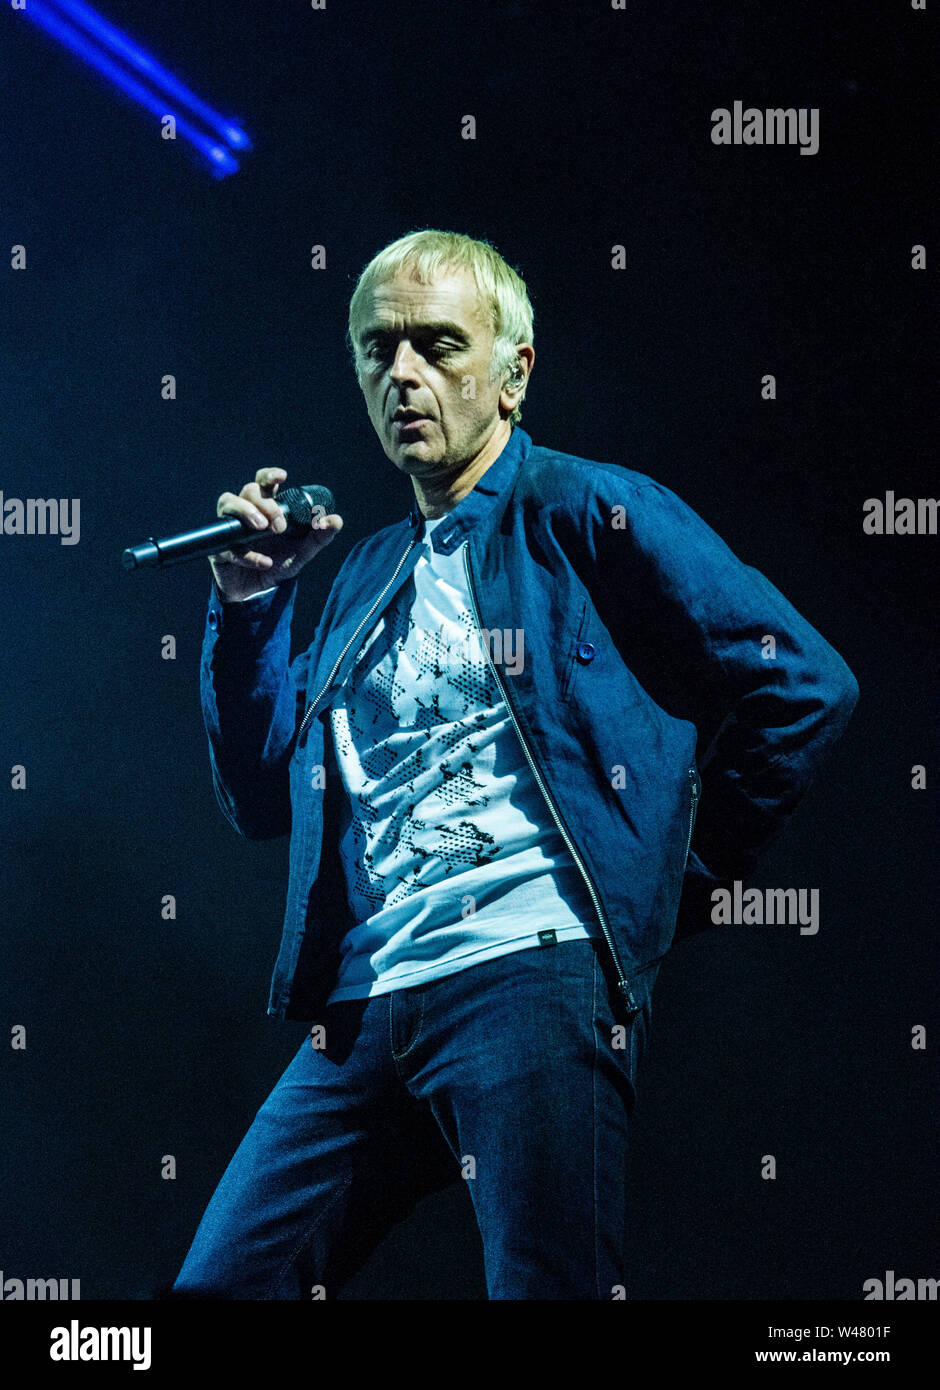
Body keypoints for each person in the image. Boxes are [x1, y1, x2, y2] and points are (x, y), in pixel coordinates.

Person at [170, 230, 859, 1300]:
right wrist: (252, 605)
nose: (402, 373)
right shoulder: (362, 576)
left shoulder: (584, 508)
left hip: (528, 974)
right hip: (365, 1000)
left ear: (511, 373)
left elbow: (804, 684)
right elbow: (263, 797)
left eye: (438, 345)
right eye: (377, 349)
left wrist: (663, 886)